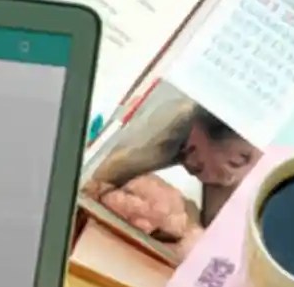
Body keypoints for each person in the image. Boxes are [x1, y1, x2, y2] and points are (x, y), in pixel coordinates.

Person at [82, 97, 261, 228]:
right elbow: (88, 181)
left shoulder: (241, 172)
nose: (231, 177)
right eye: (238, 161)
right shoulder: (157, 125)